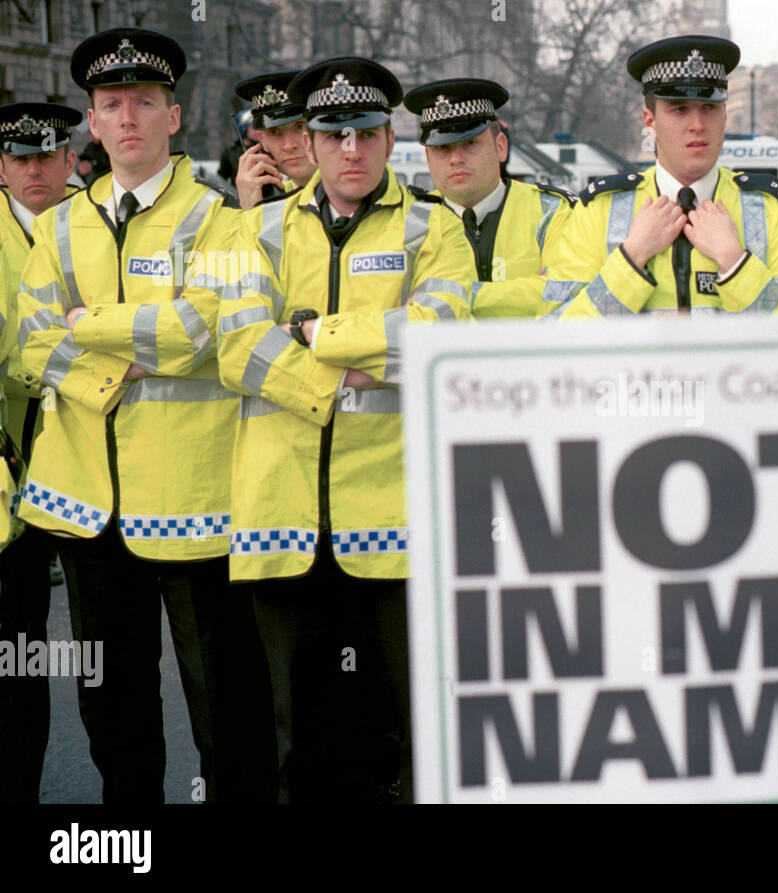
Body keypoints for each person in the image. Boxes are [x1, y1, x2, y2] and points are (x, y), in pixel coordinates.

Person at [14, 27, 275, 804]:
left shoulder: (220, 218)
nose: (128, 117)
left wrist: (85, 325)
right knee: (111, 708)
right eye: (111, 104)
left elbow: (202, 331)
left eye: (144, 102)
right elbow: (30, 344)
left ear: (175, 116)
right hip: (87, 509)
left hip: (193, 503)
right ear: (91, 123)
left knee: (224, 707)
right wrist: (123, 361)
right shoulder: (61, 223)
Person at [216, 56, 474, 803]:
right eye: (333, 135)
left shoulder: (435, 229)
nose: (351, 151)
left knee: (410, 737)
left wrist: (312, 332)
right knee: (305, 743)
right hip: (285, 520)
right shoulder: (255, 229)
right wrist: (349, 372)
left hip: (395, 523)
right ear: (312, 141)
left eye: (365, 132)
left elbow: (438, 332)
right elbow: (236, 346)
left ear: (390, 139)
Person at [545, 35, 778, 317]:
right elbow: (556, 332)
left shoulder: (774, 211)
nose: (698, 125)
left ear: (725, 114)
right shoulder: (597, 211)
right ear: (649, 120)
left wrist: (735, 263)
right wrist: (631, 259)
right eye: (679, 109)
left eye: (709, 108)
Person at [0, 101, 81, 803]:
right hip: (9, 470)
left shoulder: (94, 225)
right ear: (2, 166)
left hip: (87, 462)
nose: (34, 170)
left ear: (69, 161)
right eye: (20, 158)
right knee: (16, 647)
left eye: (46, 157)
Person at [403, 77, 576, 317]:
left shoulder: (552, 210)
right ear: (428, 157)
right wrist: (529, 291)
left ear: (501, 147)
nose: (456, 159)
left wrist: (445, 300)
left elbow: (564, 293)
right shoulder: (407, 219)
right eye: (442, 148)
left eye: (470, 142)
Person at [232, 71, 316, 209]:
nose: (288, 146)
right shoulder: (277, 203)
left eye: (299, 126)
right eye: (274, 132)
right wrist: (251, 209)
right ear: (262, 140)